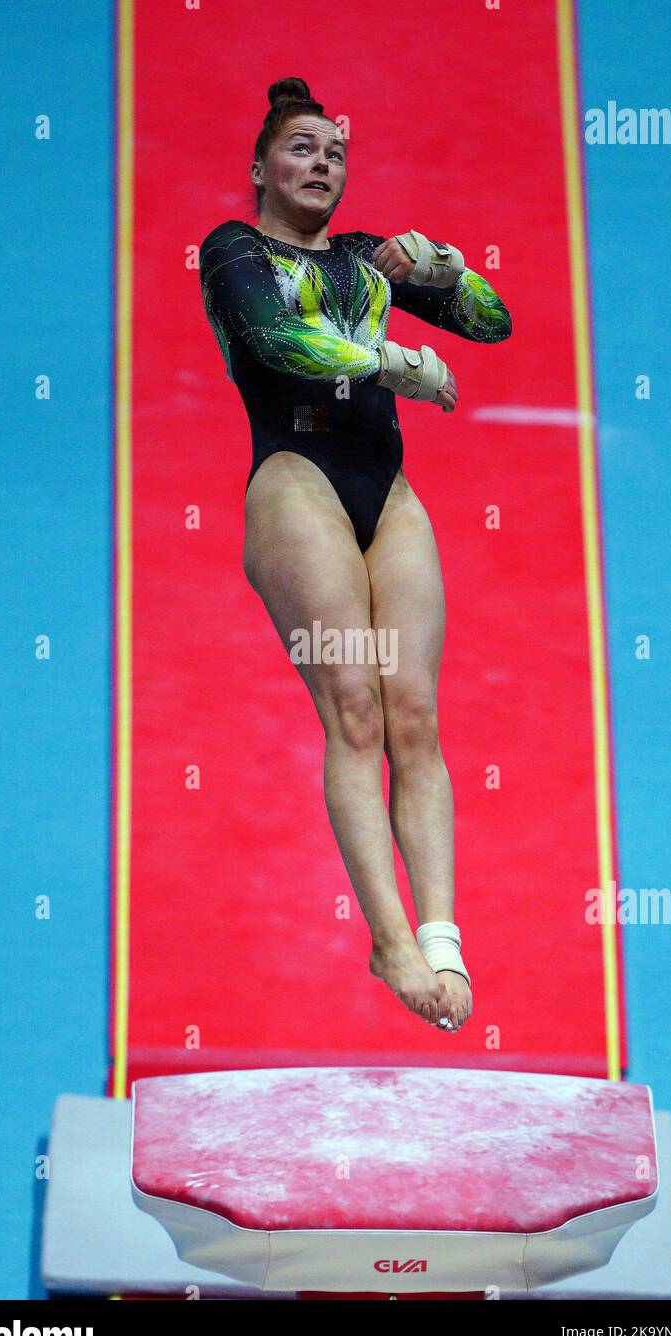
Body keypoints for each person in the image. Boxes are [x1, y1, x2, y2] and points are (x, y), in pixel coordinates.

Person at [199, 77, 512, 1033]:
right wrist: (393, 361)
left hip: (389, 493)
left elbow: (492, 323)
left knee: (414, 713)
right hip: (295, 480)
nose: (321, 162)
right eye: (301, 148)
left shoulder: (368, 264)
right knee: (356, 706)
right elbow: (275, 337)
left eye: (334, 150)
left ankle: (444, 939)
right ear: (261, 168)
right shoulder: (232, 250)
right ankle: (389, 940)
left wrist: (447, 267)